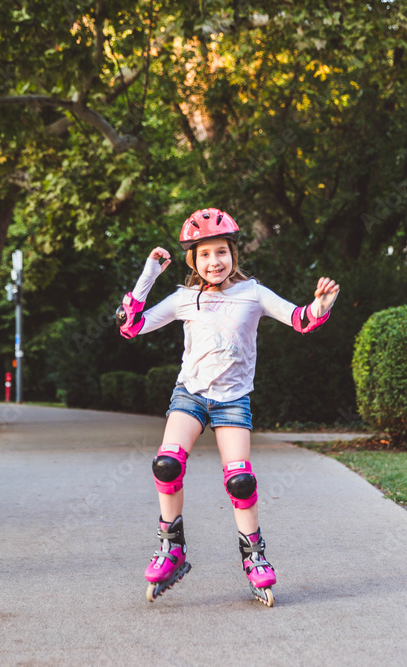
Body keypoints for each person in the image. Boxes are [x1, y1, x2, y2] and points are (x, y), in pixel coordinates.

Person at [117, 207, 339, 606]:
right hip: (190, 395)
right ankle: (172, 548)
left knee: (241, 480)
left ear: (233, 255)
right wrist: (149, 275)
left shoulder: (253, 293)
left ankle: (254, 556)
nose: (214, 261)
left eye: (221, 252)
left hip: (232, 400)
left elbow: (300, 319)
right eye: (204, 254)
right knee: (166, 464)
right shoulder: (185, 298)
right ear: (193, 260)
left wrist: (320, 305)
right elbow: (130, 326)